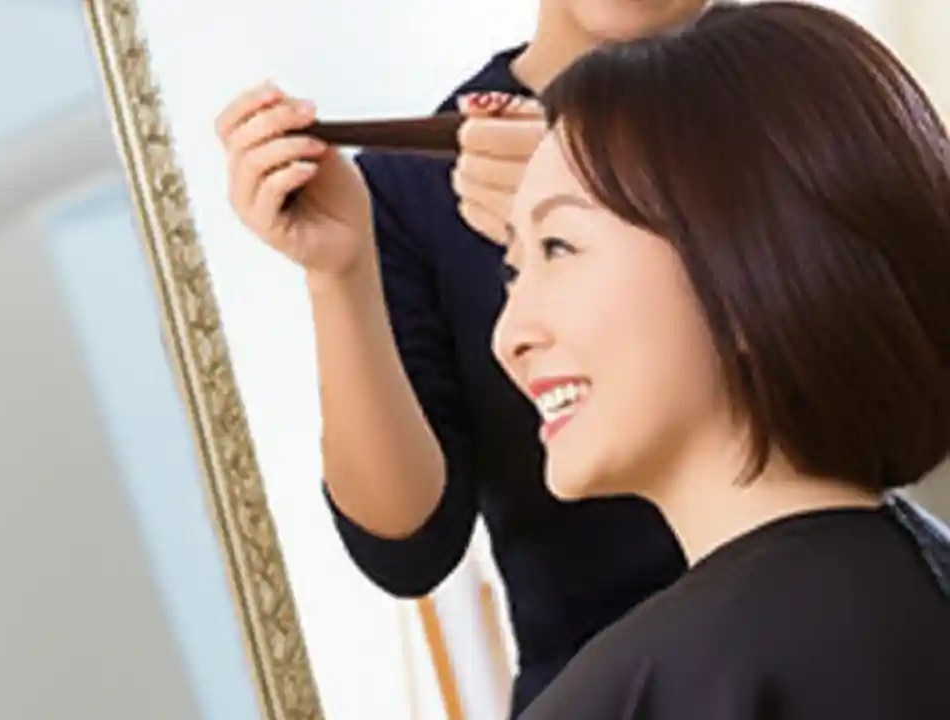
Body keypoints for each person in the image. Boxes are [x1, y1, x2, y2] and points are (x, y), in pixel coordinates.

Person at [216, 1, 709, 713]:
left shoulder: (803, 92)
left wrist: (606, 201)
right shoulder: (416, 182)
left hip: (835, 629)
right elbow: (408, 547)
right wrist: (339, 274)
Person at [487, 3, 950, 717]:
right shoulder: (918, 585)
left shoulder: (640, 693)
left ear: (748, 263)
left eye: (559, 247)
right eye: (512, 270)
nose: (510, 334)